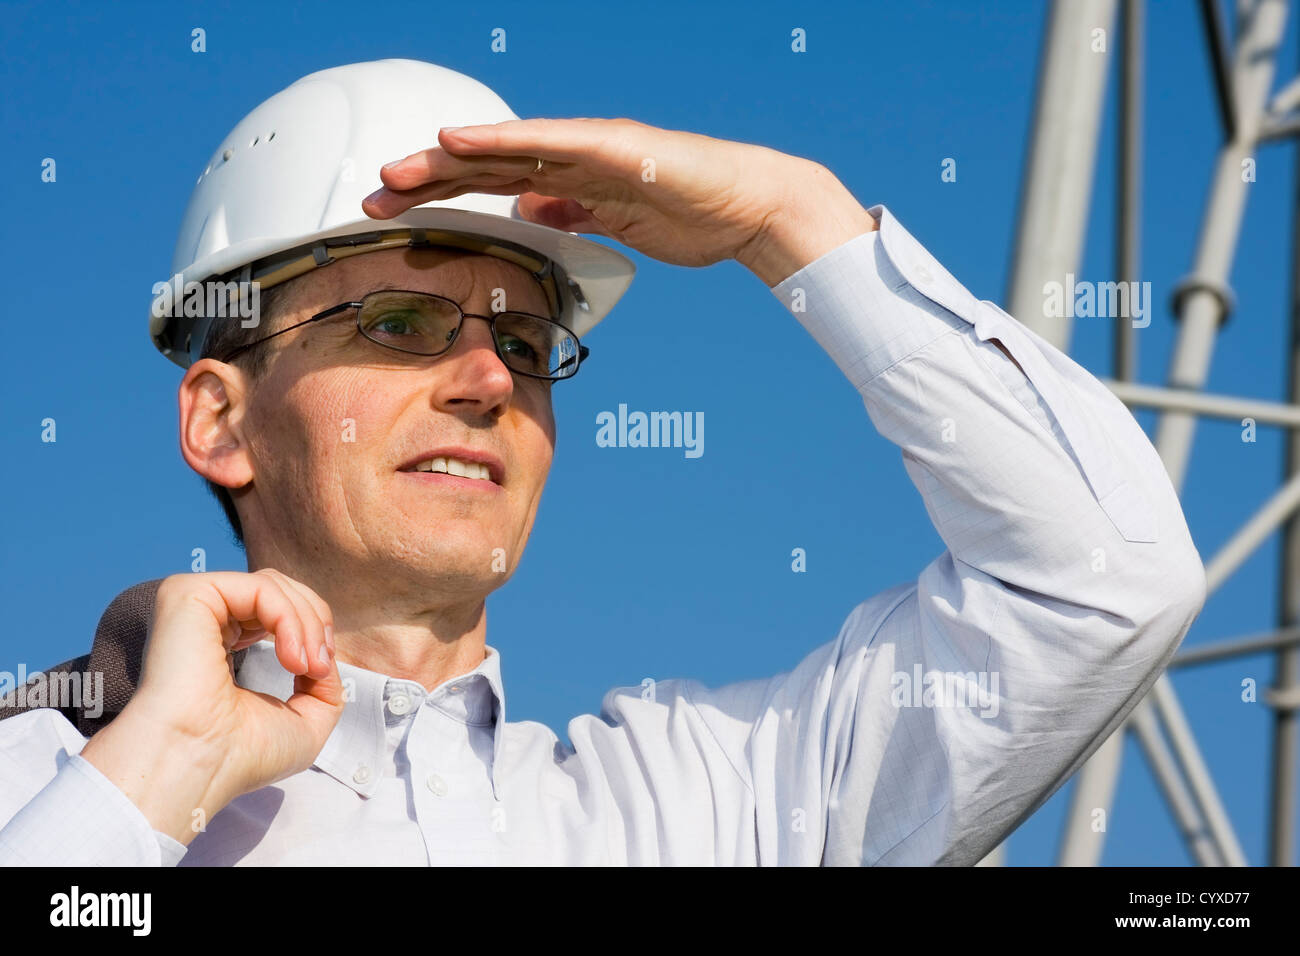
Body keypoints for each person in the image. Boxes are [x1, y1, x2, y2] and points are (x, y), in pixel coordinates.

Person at [0, 59, 1205, 865]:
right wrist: (164, 769)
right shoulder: (55, 784)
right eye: (401, 325)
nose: (486, 379)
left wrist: (790, 221)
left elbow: (1099, 581)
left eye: (522, 340)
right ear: (219, 419)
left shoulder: (706, 804)